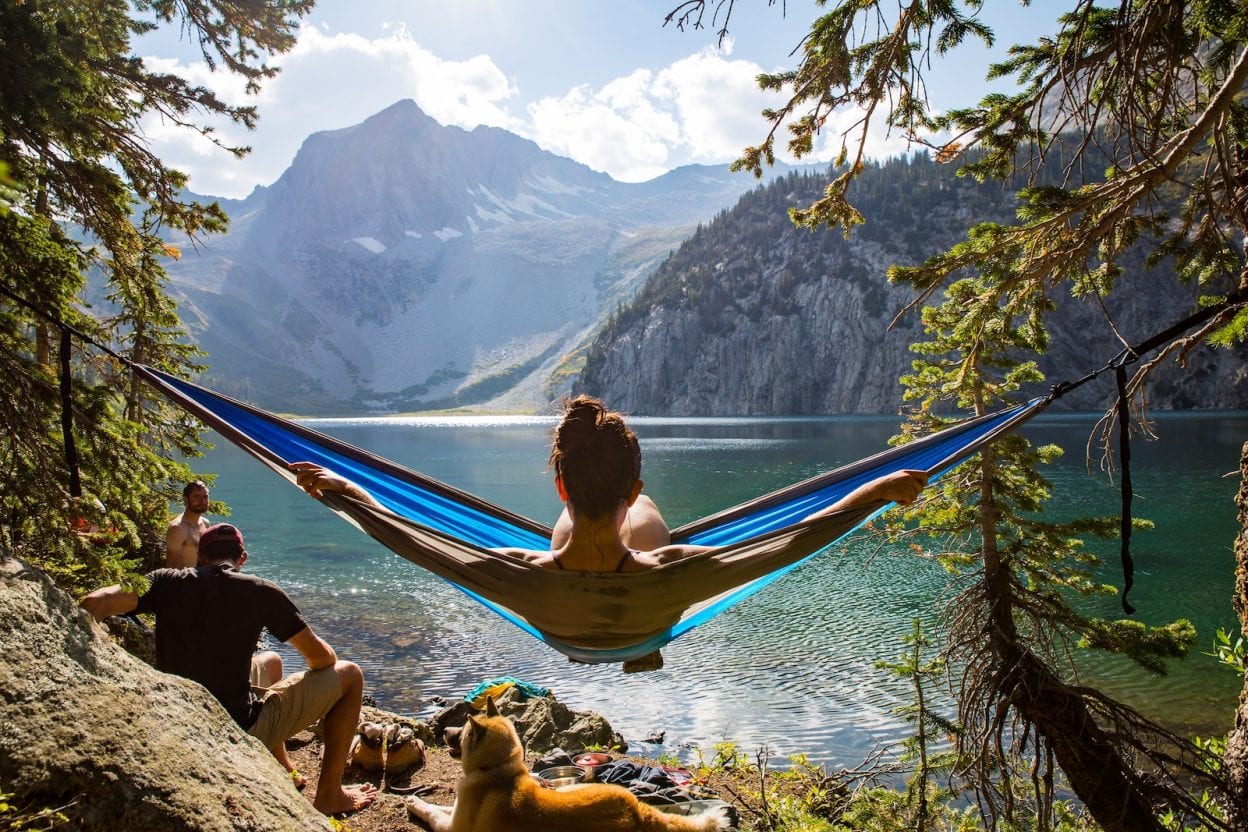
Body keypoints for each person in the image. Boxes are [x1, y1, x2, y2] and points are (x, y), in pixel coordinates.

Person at [290, 395, 929, 572]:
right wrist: (875, 490)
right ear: (628, 488)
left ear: (560, 488)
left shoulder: (520, 565)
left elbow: (416, 537)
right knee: (649, 515)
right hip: (638, 583)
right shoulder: (674, 566)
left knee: (597, 525)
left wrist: (348, 491)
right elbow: (795, 537)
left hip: (564, 590)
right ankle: (632, 509)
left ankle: (601, 507)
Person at [81, 523, 377, 816]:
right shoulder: (259, 591)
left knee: (271, 661)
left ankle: (282, 766)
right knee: (350, 674)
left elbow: (96, 602)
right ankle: (329, 795)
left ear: (200, 557)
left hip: (177, 718)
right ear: (242, 558)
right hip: (233, 728)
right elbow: (322, 660)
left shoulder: (165, 582)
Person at [165, 480, 211, 568]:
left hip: (202, 580)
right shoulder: (177, 528)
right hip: (185, 581)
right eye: (197, 497)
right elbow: (172, 568)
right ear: (186, 500)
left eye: (205, 497)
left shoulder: (206, 523)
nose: (202, 501)